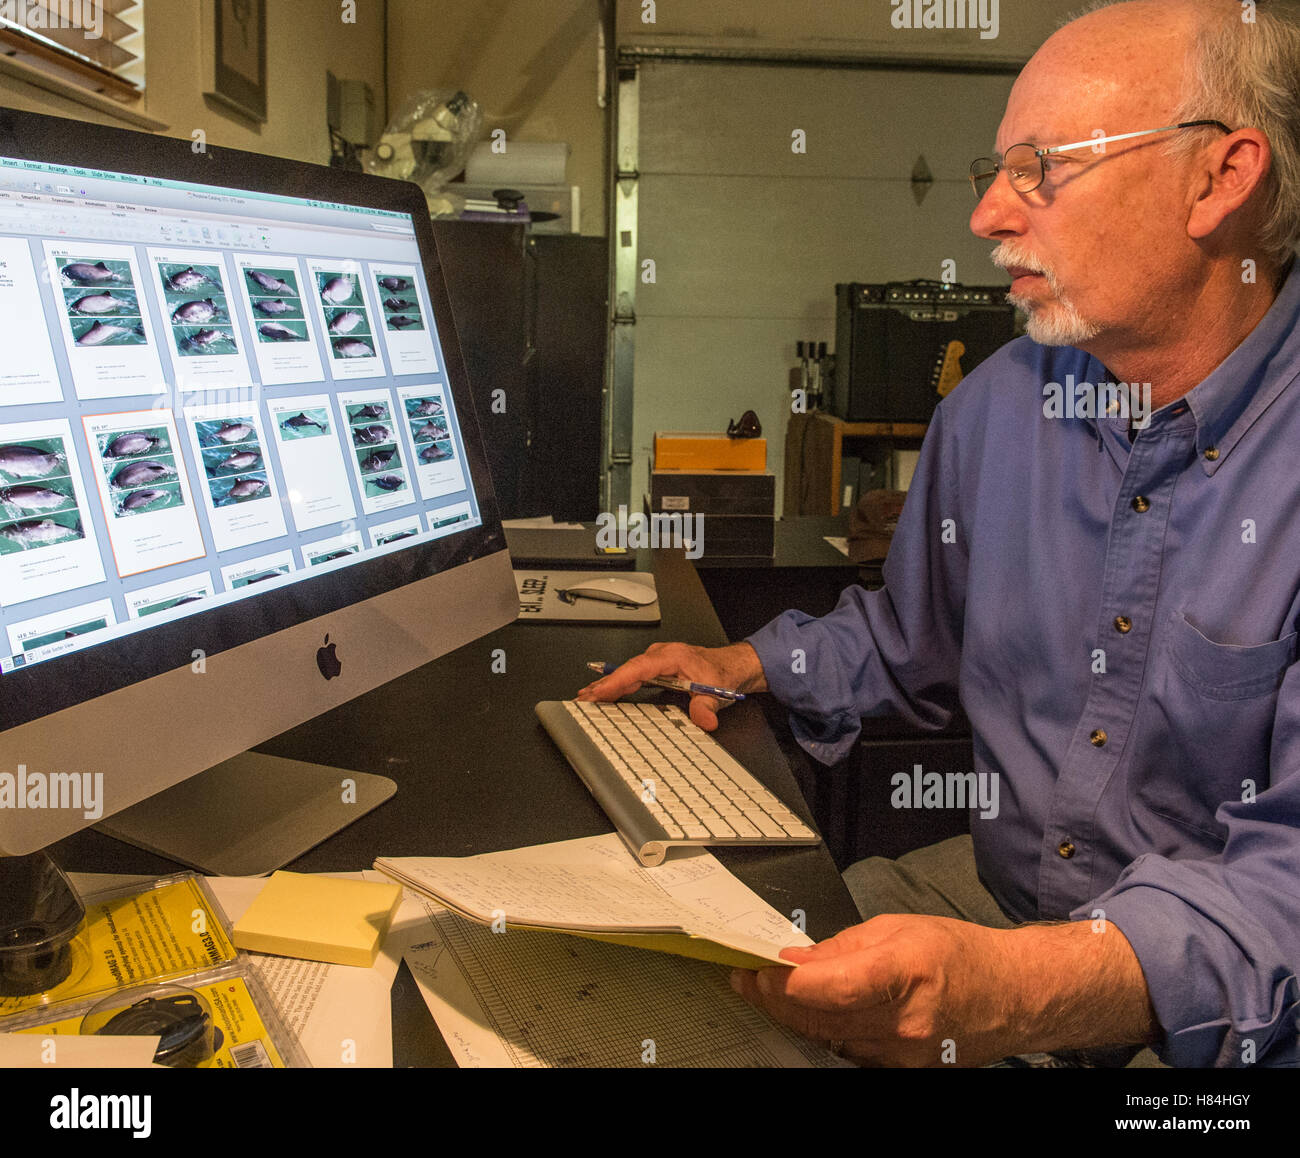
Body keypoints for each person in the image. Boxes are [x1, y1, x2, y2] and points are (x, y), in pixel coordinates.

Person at [580, 0, 1300, 1067]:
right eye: (994, 172)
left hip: (1217, 1026)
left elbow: (1282, 893)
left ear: (1220, 177)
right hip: (1002, 904)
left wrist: (1011, 993)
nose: (986, 220)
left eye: (1041, 168)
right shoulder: (998, 408)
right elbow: (911, 640)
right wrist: (747, 660)